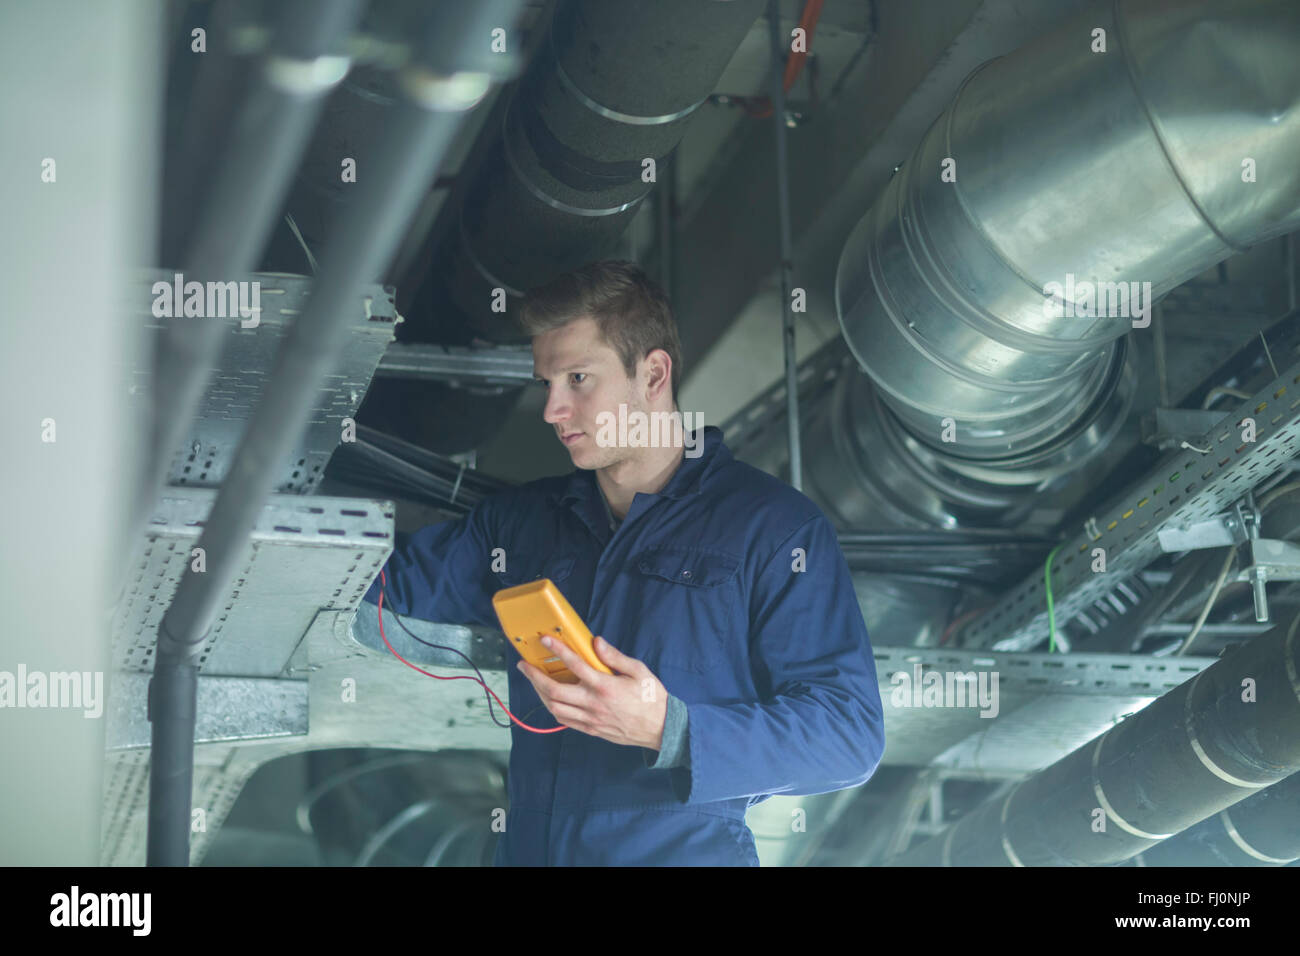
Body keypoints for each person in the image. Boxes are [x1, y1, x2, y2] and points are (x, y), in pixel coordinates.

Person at [362, 259, 885, 865]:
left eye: (579, 378)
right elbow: (373, 591)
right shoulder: (521, 524)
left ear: (654, 373)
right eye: (547, 384)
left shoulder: (772, 529)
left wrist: (671, 727)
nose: (553, 410)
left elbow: (848, 737)